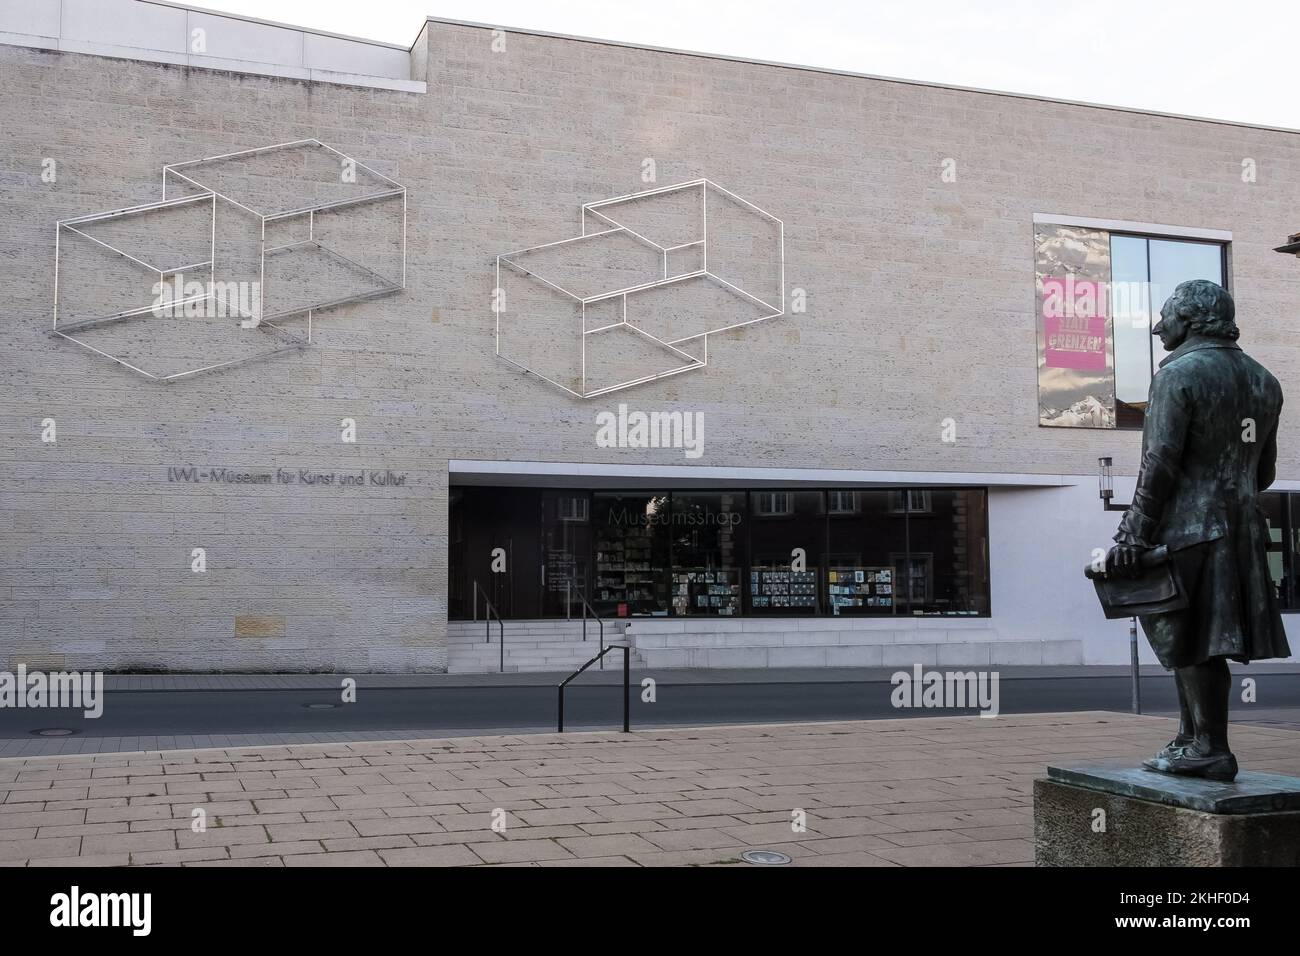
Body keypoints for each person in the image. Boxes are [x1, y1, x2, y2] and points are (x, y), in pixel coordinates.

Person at [1106, 279, 1289, 781]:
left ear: (1190, 319)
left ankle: (1209, 744)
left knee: (1184, 633)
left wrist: (1133, 533)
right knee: (1204, 637)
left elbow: (1160, 461)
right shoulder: (1265, 381)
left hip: (1190, 526)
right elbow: (1264, 471)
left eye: (1166, 316)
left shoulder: (1177, 376)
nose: (1158, 326)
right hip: (1241, 527)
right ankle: (1193, 739)